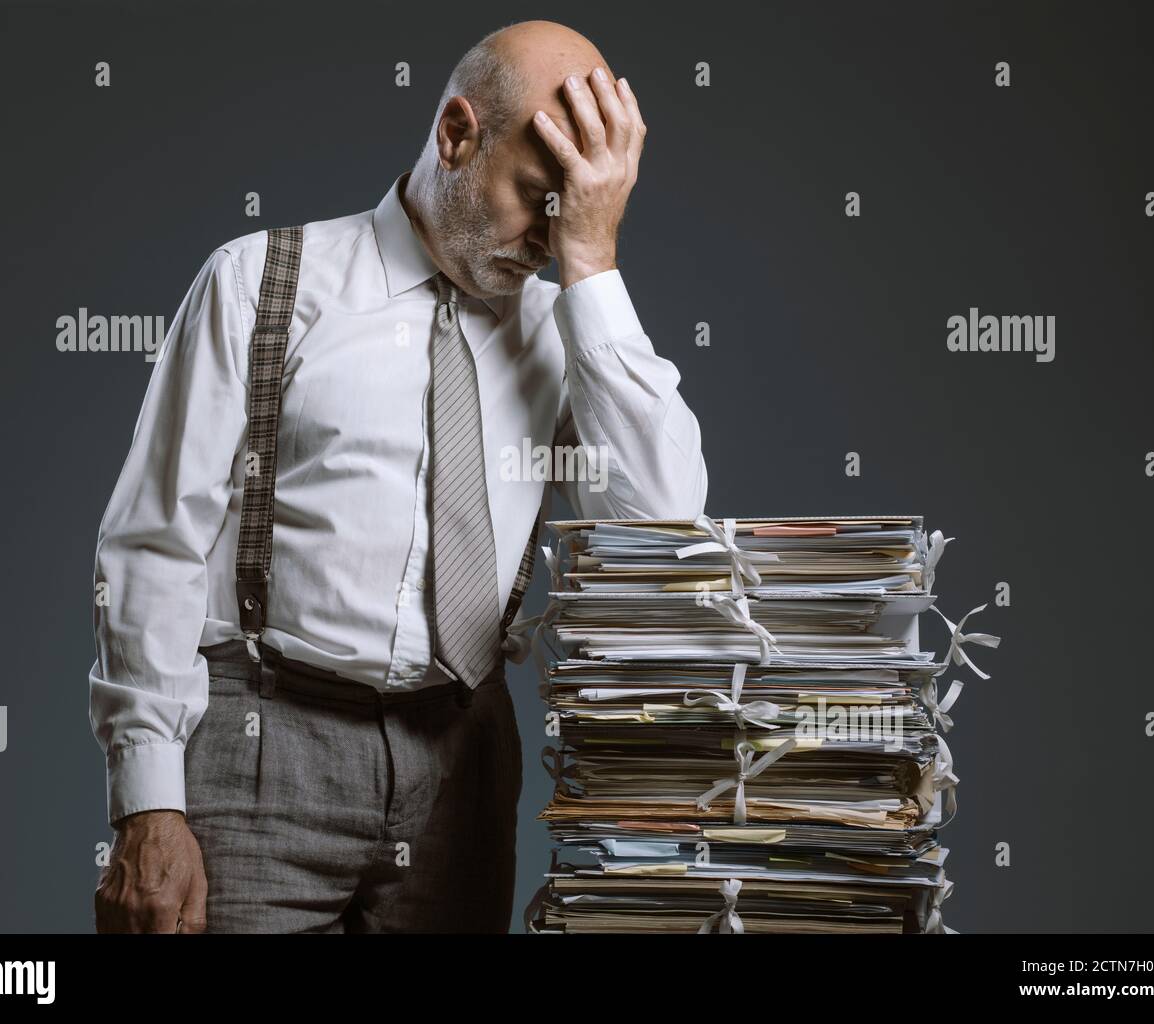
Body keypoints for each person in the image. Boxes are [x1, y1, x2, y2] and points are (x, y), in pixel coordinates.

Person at [91, 19, 707, 933]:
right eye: (537, 198)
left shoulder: (567, 330)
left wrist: (595, 264)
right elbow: (152, 546)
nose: (546, 239)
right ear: (456, 135)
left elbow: (661, 537)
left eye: (572, 213)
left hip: (463, 764)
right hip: (261, 746)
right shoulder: (261, 283)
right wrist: (147, 803)